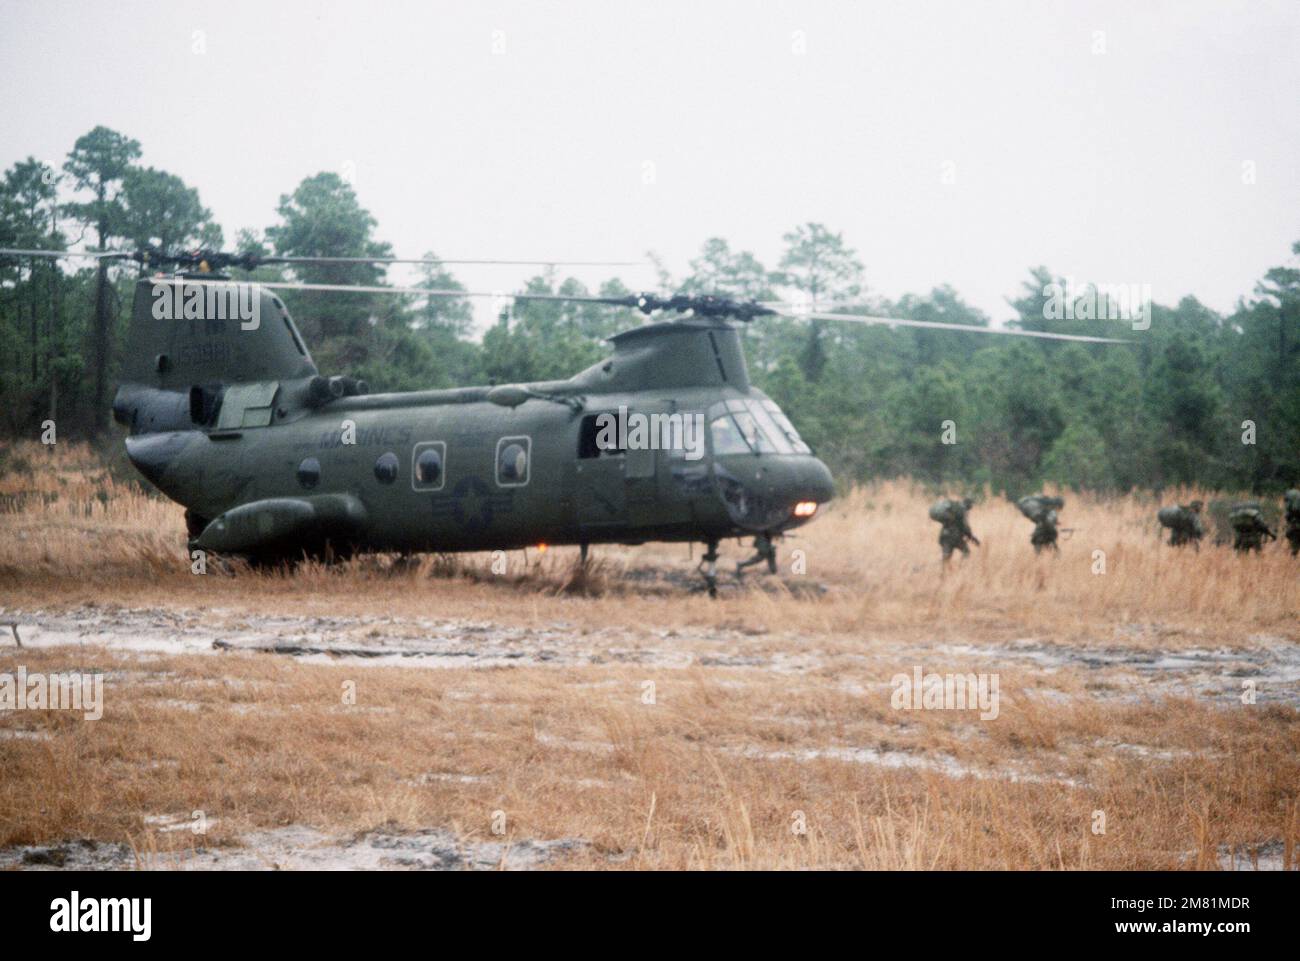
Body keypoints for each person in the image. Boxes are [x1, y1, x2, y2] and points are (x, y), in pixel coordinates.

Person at [930, 497, 979, 561]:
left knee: (946, 559)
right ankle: (961, 569)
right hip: (955, 538)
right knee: (966, 552)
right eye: (971, 505)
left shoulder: (953, 509)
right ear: (968, 505)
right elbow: (965, 527)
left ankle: (923, 569)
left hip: (945, 536)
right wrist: (973, 538)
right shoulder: (962, 511)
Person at [1284, 489, 1300, 556]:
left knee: (1294, 549)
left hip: (1295, 528)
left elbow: (1287, 517)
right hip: (1295, 527)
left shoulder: (1291, 509)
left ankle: (1293, 561)